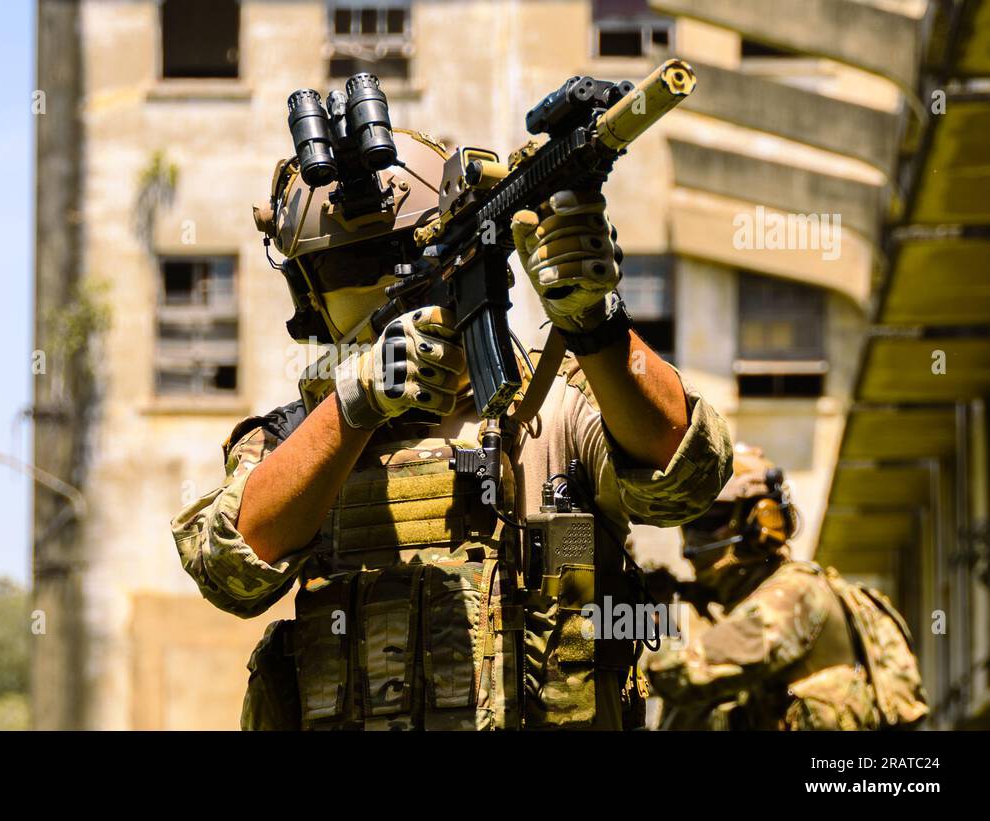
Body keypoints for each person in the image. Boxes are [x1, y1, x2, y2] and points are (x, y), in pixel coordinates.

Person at [171, 126, 733, 730]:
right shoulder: (299, 436)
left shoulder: (559, 400)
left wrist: (594, 323)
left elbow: (686, 477)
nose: (384, 285)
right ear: (310, 292)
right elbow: (229, 568)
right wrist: (356, 403)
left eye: (403, 255)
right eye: (348, 268)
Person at [645, 444, 929, 730]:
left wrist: (649, 626)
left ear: (762, 518)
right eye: (688, 523)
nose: (694, 538)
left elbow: (680, 674)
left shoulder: (793, 594)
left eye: (710, 520)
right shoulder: (737, 600)